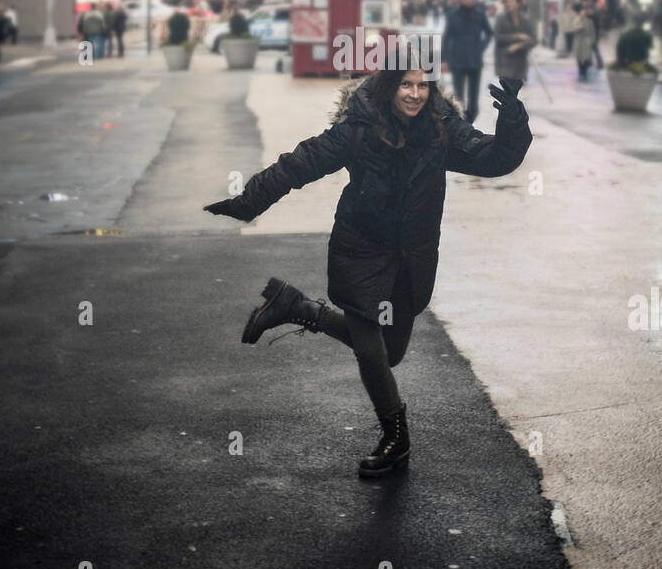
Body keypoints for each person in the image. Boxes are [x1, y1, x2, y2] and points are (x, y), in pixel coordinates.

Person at [203, 52, 531, 477]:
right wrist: (247, 201)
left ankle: (298, 308)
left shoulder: (441, 131)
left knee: (389, 354)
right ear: (388, 86)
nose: (414, 94)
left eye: (422, 86)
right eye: (405, 85)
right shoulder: (358, 129)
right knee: (372, 353)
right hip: (359, 251)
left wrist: (511, 118)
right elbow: (298, 164)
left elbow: (495, 159)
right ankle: (396, 438)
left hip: (410, 258)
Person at [442, 0, 493, 123]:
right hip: (457, 59)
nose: (468, 0)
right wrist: (445, 59)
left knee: (474, 99)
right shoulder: (453, 16)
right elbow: (446, 38)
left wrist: (481, 46)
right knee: (458, 97)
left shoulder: (480, 15)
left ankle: (469, 121)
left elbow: (489, 32)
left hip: (475, 60)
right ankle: (461, 123)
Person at [494, 0, 535, 83]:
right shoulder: (501, 18)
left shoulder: (525, 19)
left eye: (512, 1)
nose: (509, 4)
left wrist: (519, 46)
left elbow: (532, 40)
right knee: (506, 94)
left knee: (516, 93)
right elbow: (498, 37)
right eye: (507, 1)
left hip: (520, 63)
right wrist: (516, 36)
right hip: (504, 63)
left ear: (518, 3)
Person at [572, 4, 595, 81]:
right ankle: (580, 71)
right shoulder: (576, 20)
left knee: (586, 58)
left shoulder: (589, 21)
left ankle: (584, 71)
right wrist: (581, 24)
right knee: (579, 58)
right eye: (582, 14)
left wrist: (592, 40)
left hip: (586, 42)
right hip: (578, 42)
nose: (583, 15)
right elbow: (575, 29)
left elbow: (592, 32)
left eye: (584, 14)